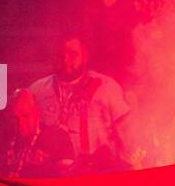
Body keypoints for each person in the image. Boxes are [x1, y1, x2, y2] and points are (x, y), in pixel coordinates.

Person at [27, 34, 131, 170]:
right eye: (60, 55)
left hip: (97, 175)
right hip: (52, 176)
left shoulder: (106, 87)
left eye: (72, 54)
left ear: (85, 56)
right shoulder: (37, 90)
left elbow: (126, 134)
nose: (65, 60)